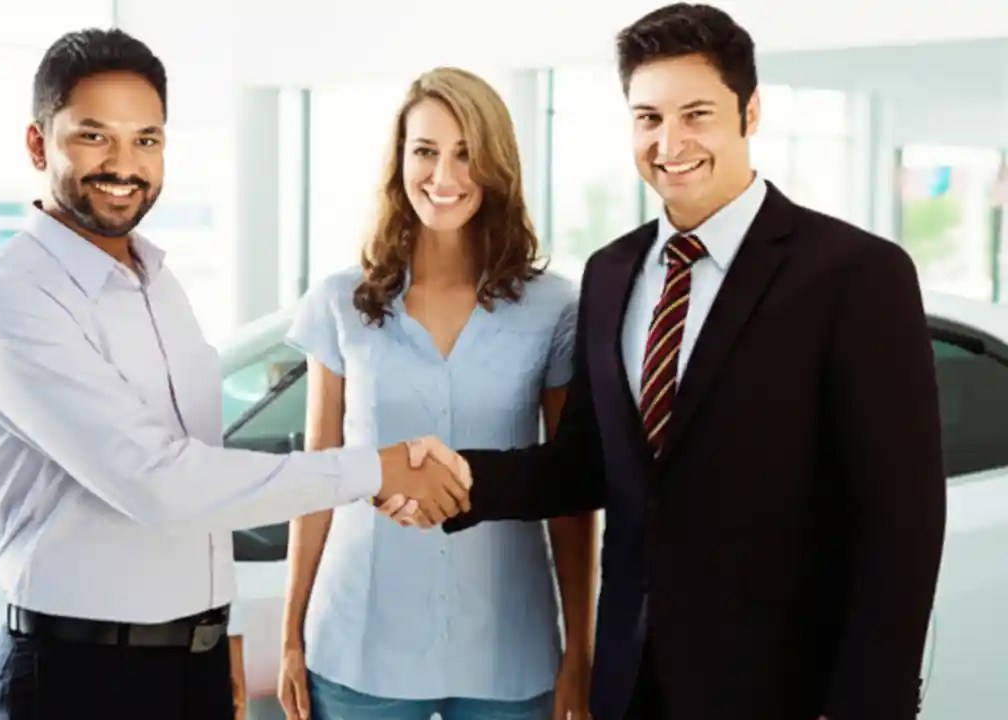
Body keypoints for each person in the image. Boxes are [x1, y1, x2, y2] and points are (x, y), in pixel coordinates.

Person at [399, 4, 946, 719]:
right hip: (634, 682)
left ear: (750, 113)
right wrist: (466, 477)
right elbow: (588, 464)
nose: (670, 142)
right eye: (648, 118)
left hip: (785, 688)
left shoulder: (854, 275)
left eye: (696, 114)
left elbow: (900, 525)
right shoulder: (611, 272)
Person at [0, 28, 471, 720]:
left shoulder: (154, 280)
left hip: (186, 663)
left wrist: (217, 628)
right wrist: (381, 469)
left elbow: (206, 469)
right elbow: (162, 483)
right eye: (94, 137)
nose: (124, 164)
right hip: (82, 678)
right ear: (39, 145)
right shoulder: (15, 300)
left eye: (147, 139)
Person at [275, 67, 599, 720]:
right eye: (425, 151)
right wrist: (289, 636)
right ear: (400, 161)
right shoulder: (341, 302)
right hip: (359, 646)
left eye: (465, 154)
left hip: (510, 652)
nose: (443, 177)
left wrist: (579, 654)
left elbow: (570, 493)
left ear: (496, 166)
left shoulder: (554, 307)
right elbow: (317, 474)